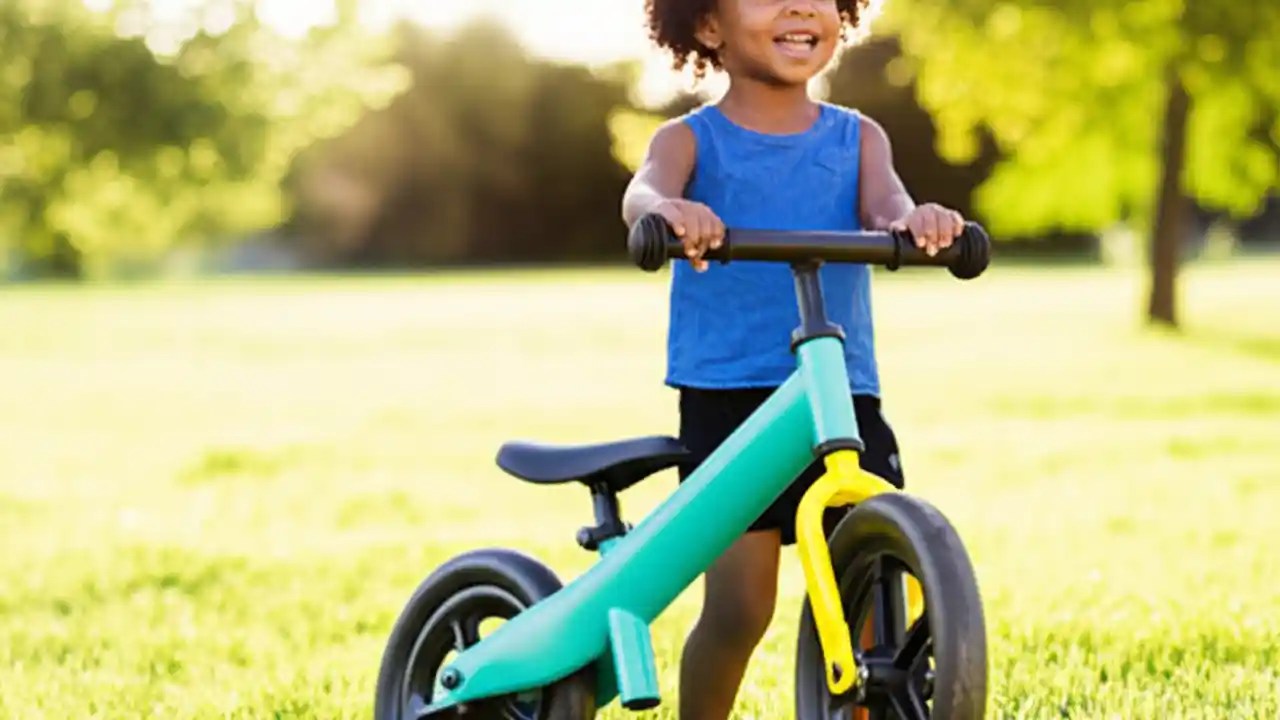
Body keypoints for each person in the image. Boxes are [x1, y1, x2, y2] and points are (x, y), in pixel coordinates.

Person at [620, 1, 967, 718]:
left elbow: (888, 208)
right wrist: (668, 212)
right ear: (708, 25)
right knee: (743, 607)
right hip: (730, 397)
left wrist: (917, 223)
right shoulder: (690, 139)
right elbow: (644, 191)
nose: (800, 5)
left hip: (841, 396)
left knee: (875, 582)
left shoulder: (858, 138)